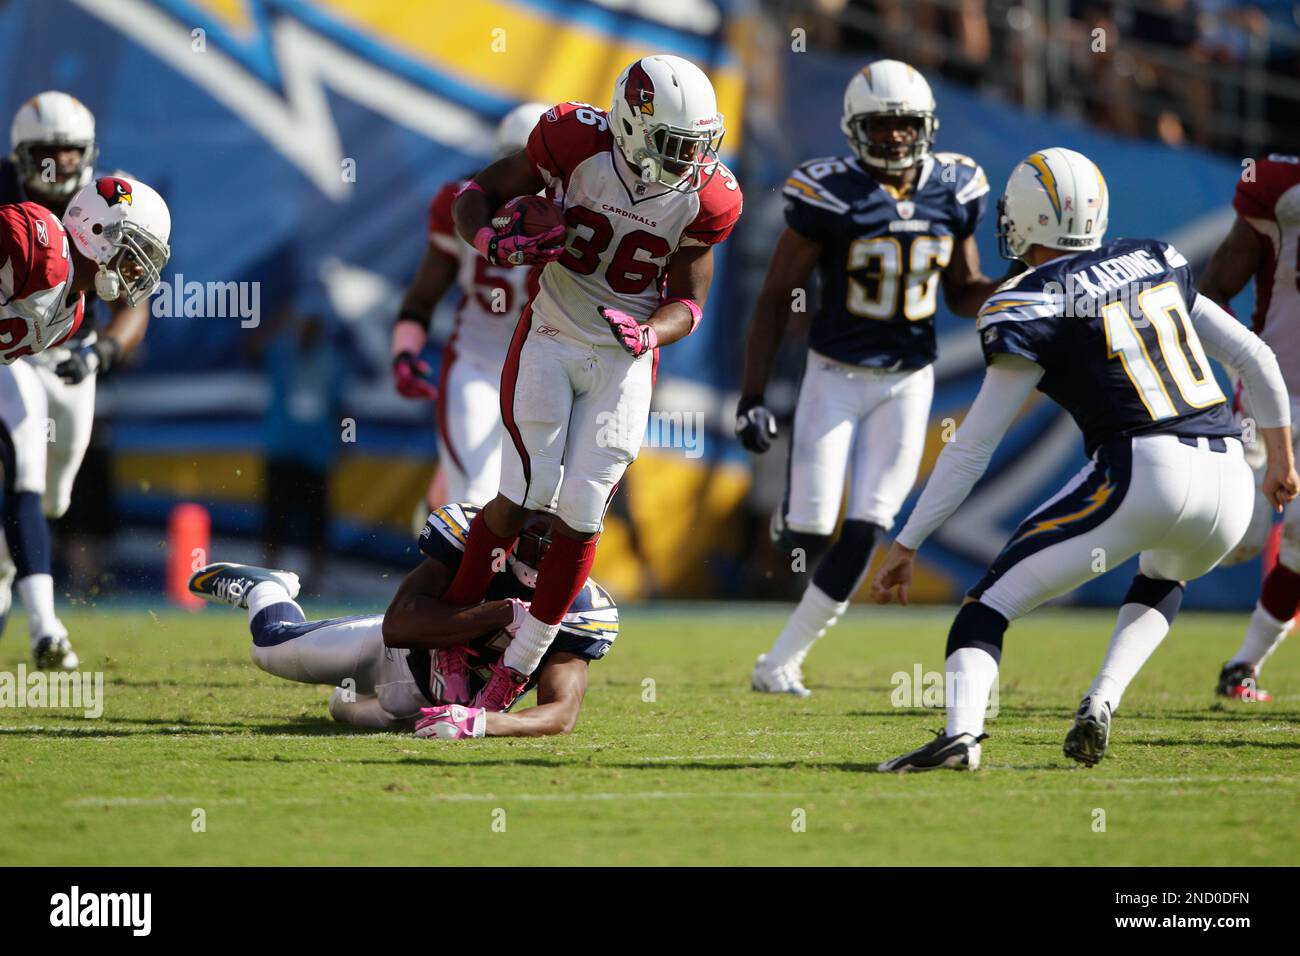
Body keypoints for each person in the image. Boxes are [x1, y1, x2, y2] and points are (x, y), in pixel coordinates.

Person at [871, 147, 1296, 771]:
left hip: (1145, 469)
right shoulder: (1154, 258)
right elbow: (1255, 358)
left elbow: (972, 448)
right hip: (1231, 476)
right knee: (1162, 577)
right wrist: (1282, 461)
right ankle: (1101, 701)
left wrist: (908, 540)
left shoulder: (1027, 301)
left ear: (1024, 219)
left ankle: (961, 737)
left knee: (987, 606)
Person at [440, 55, 743, 712]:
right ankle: (453, 636)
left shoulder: (709, 195)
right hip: (552, 327)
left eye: (699, 144)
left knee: (583, 508)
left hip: (623, 351)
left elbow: (690, 301)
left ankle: (515, 670)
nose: (690, 158)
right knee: (524, 495)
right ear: (632, 125)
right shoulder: (574, 141)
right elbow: (472, 195)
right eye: (674, 143)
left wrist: (651, 334)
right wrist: (494, 242)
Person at [737, 59, 997, 696]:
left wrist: (1014, 287)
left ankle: (782, 659)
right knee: (810, 527)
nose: (898, 139)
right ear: (857, 129)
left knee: (871, 523)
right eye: (883, 128)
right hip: (835, 375)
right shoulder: (828, 193)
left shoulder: (955, 187)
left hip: (910, 381)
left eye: (907, 126)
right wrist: (753, 395)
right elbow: (776, 296)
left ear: (926, 126)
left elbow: (963, 292)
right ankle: (787, 519)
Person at [188, 502, 619, 738]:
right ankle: (267, 589)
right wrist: (501, 612)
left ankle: (363, 700)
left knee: (343, 709)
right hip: (391, 653)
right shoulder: (473, 541)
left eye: (559, 534)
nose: (545, 545)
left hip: (431, 713)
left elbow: (561, 713)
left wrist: (479, 723)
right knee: (269, 648)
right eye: (539, 526)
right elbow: (399, 625)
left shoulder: (584, 610)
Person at [0, 173, 170, 668]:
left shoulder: (71, 316)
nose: (138, 271)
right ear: (100, 232)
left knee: (40, 486)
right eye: (135, 252)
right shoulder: (35, 236)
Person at [391, 102, 549, 511]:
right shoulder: (462, 203)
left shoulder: (575, 212)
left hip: (547, 377)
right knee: (475, 502)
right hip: (478, 367)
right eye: (519, 163)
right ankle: (443, 530)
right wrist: (404, 350)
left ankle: (439, 512)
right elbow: (425, 293)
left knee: (538, 512)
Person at [1198, 152, 1300, 701]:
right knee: (1240, 536)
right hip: (1269, 397)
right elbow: (1212, 289)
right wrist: (1246, 366)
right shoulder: (1280, 188)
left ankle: (1242, 667)